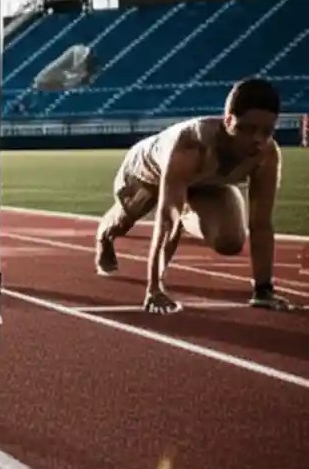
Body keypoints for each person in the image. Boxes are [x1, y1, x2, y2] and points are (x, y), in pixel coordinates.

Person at [95, 77, 292, 313]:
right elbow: (166, 218)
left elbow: (261, 223)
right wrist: (155, 288)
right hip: (146, 174)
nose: (257, 140)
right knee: (125, 220)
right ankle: (104, 236)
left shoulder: (267, 154)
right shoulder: (190, 147)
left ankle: (186, 212)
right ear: (228, 121)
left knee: (230, 241)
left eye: (267, 131)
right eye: (247, 129)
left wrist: (264, 290)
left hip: (205, 182)